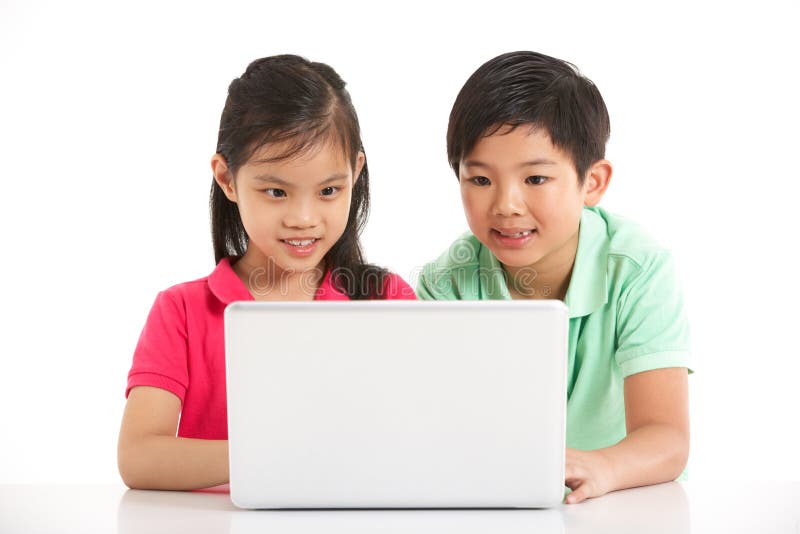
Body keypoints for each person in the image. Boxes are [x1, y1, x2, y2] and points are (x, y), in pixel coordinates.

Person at [118, 55, 415, 491]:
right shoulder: (181, 311)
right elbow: (139, 457)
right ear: (227, 178)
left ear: (356, 172)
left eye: (329, 191)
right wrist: (279, 452)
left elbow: (418, 438)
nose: (302, 218)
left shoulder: (387, 298)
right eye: (276, 191)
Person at [417, 51, 691, 504]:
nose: (506, 204)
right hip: (498, 501)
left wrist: (601, 466)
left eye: (536, 179)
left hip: (623, 502)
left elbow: (667, 438)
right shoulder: (445, 285)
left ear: (593, 182)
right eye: (480, 180)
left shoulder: (637, 269)